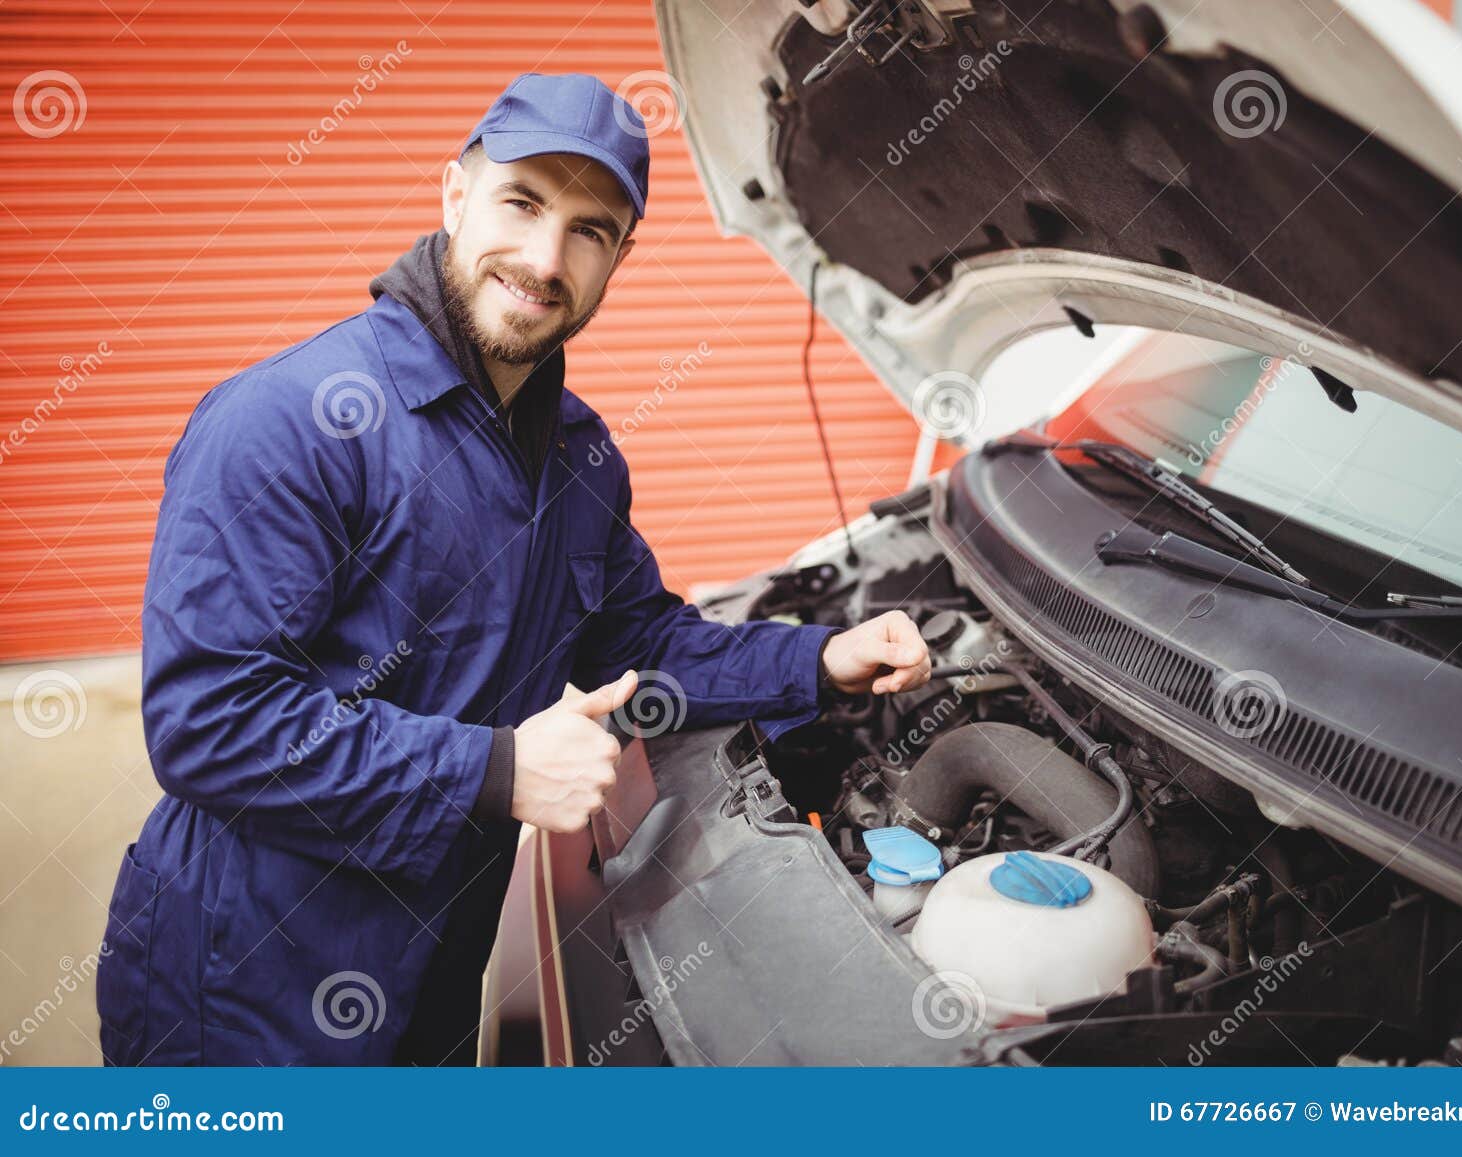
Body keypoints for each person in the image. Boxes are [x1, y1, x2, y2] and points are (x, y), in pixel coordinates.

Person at [96, 72, 930, 1066]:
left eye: (588, 229)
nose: (543, 259)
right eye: (522, 202)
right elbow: (208, 722)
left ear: (620, 257)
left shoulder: (577, 457)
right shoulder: (289, 423)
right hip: (246, 987)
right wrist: (495, 769)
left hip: (437, 967)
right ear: (455, 195)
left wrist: (819, 658)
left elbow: (642, 642)